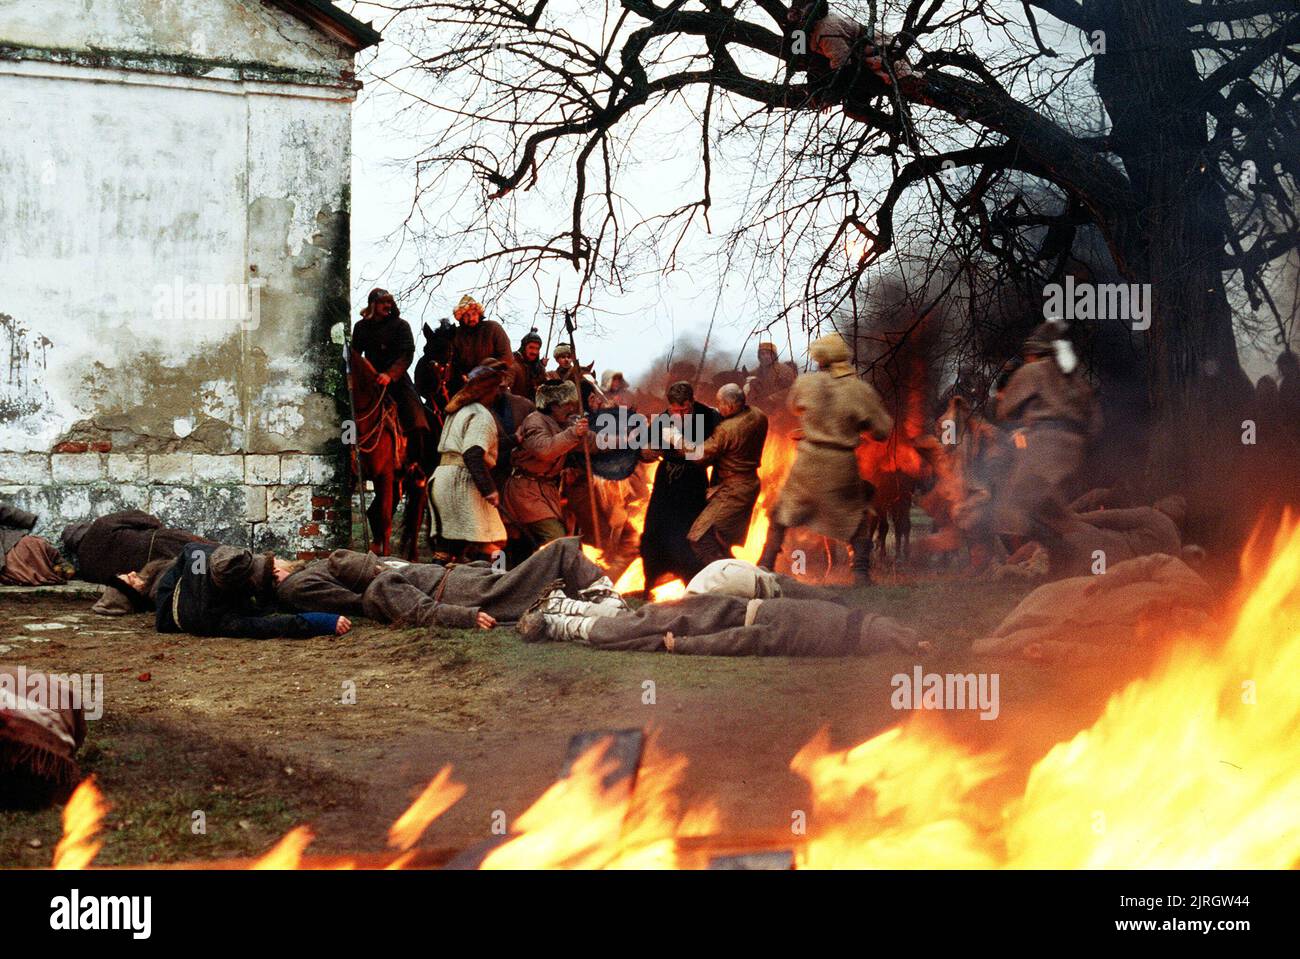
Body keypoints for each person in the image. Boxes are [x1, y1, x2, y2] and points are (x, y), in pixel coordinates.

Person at [758, 333, 891, 585]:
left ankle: (764, 565)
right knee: (857, 517)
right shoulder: (859, 389)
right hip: (840, 464)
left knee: (780, 515)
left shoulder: (806, 383)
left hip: (808, 461)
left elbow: (794, 407)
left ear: (820, 359)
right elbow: (881, 430)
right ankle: (861, 573)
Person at [276, 536, 624, 628]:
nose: (375, 563)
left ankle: (600, 605)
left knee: (543, 576)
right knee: (559, 552)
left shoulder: (382, 572)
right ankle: (610, 605)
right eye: (368, 564)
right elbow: (421, 610)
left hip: (465, 578)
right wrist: (465, 616)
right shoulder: (380, 588)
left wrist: (470, 565)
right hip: (467, 593)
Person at [517, 585, 927, 657]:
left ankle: (560, 619)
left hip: (718, 618)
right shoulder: (841, 623)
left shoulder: (835, 626)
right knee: (642, 622)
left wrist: (689, 645)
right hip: (724, 611)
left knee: (641, 626)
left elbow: (748, 641)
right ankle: (564, 612)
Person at [994, 319, 1102, 559]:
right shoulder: (1077, 380)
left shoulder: (1033, 371)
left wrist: (1015, 406)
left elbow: (1004, 410)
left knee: (1010, 509)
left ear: (1035, 352)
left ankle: (1037, 561)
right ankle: (1073, 553)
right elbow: (1095, 424)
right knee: (1051, 510)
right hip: (1075, 448)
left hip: (1045, 443)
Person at [124, 543, 352, 640]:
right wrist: (323, 622)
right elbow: (275, 625)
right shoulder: (221, 618)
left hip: (184, 579)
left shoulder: (204, 557)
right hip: (172, 607)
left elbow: (189, 550)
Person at [671, 383, 768, 566]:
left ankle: (728, 580)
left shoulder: (727, 429)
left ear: (730, 406)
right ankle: (736, 575)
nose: (718, 406)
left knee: (700, 539)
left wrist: (676, 439)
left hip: (733, 491)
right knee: (720, 540)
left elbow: (699, 454)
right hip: (749, 484)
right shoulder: (758, 415)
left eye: (720, 403)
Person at [639, 381, 722, 594]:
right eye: (676, 411)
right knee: (654, 530)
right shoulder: (664, 419)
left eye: (684, 410)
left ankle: (694, 584)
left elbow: (718, 450)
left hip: (693, 482)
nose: (680, 414)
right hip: (666, 482)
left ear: (692, 402)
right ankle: (652, 581)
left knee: (690, 533)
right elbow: (646, 447)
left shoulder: (710, 416)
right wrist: (647, 452)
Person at [59, 509, 208, 613]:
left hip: (151, 578)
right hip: (160, 543)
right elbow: (142, 517)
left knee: (198, 570)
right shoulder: (101, 525)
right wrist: (156, 531)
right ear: (85, 529)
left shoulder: (86, 569)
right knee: (204, 551)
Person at [432, 364, 509, 561]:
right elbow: (472, 454)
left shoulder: (458, 411)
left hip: (441, 479)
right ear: (488, 391)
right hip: (461, 482)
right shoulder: (481, 415)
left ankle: (440, 583)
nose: (500, 394)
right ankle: (492, 585)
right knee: (493, 541)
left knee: (451, 544)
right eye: (498, 389)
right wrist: (489, 489)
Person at [501, 380, 591, 548]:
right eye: (567, 404)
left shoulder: (563, 423)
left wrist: (626, 442)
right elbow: (545, 450)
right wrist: (573, 433)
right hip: (526, 492)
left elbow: (593, 442)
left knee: (557, 540)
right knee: (556, 538)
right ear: (553, 405)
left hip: (546, 491)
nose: (572, 408)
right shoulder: (535, 422)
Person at [352, 288, 432, 465]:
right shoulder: (361, 327)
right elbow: (356, 355)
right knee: (348, 415)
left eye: (389, 302)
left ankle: (416, 464)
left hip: (397, 380)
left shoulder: (401, 325)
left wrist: (390, 374)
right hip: (371, 382)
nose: (387, 306)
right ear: (373, 305)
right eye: (383, 302)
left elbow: (407, 354)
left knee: (417, 418)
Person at [448, 295, 516, 394]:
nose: (471, 318)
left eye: (474, 314)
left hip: (495, 382)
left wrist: (484, 373)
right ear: (461, 317)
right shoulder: (456, 335)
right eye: (467, 315)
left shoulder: (493, 328)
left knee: (505, 403)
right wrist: (461, 375)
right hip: (465, 386)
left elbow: (507, 357)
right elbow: (452, 362)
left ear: (479, 314)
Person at [1, 503, 69, 587]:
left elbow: (8, 512)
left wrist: (27, 518)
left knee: (34, 543)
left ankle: (59, 565)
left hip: (9, 539)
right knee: (14, 562)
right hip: (7, 551)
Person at [744, 341, 797, 411]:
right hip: (761, 409)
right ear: (759, 356)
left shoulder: (785, 370)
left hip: (781, 409)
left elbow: (792, 389)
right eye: (763, 354)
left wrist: (772, 398)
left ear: (774, 355)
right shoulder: (756, 372)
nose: (766, 356)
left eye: (769, 353)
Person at [514, 328, 548, 400]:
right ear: (524, 347)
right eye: (531, 347)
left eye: (537, 349)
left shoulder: (539, 368)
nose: (534, 352)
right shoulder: (513, 362)